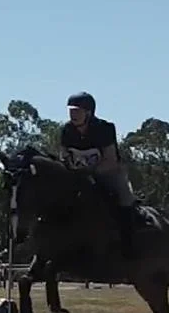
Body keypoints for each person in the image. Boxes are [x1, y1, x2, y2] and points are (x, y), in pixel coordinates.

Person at [59, 91, 138, 259]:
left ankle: (130, 244)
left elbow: (110, 159)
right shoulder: (67, 130)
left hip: (108, 173)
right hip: (78, 176)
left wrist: (90, 172)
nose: (73, 114)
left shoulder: (105, 128)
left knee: (125, 198)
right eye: (71, 111)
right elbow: (64, 155)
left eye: (77, 111)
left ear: (88, 113)